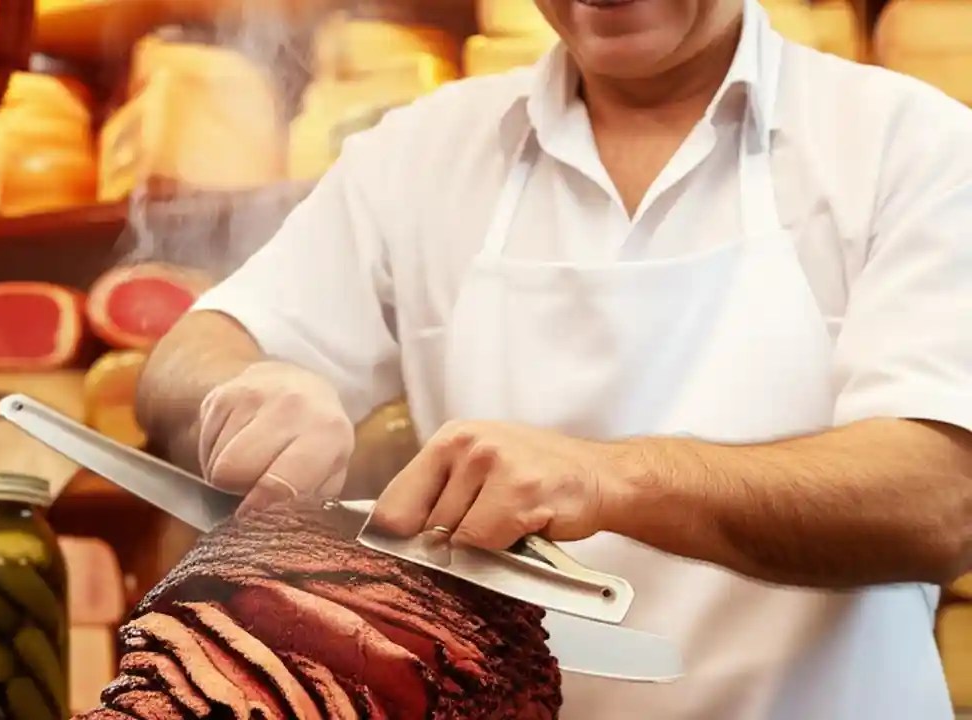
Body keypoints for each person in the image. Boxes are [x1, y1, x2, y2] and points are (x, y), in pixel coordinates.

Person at [134, 0, 972, 716]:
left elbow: (940, 500)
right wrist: (246, 389)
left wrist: (607, 479)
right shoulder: (421, 154)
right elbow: (184, 362)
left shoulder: (909, 143)